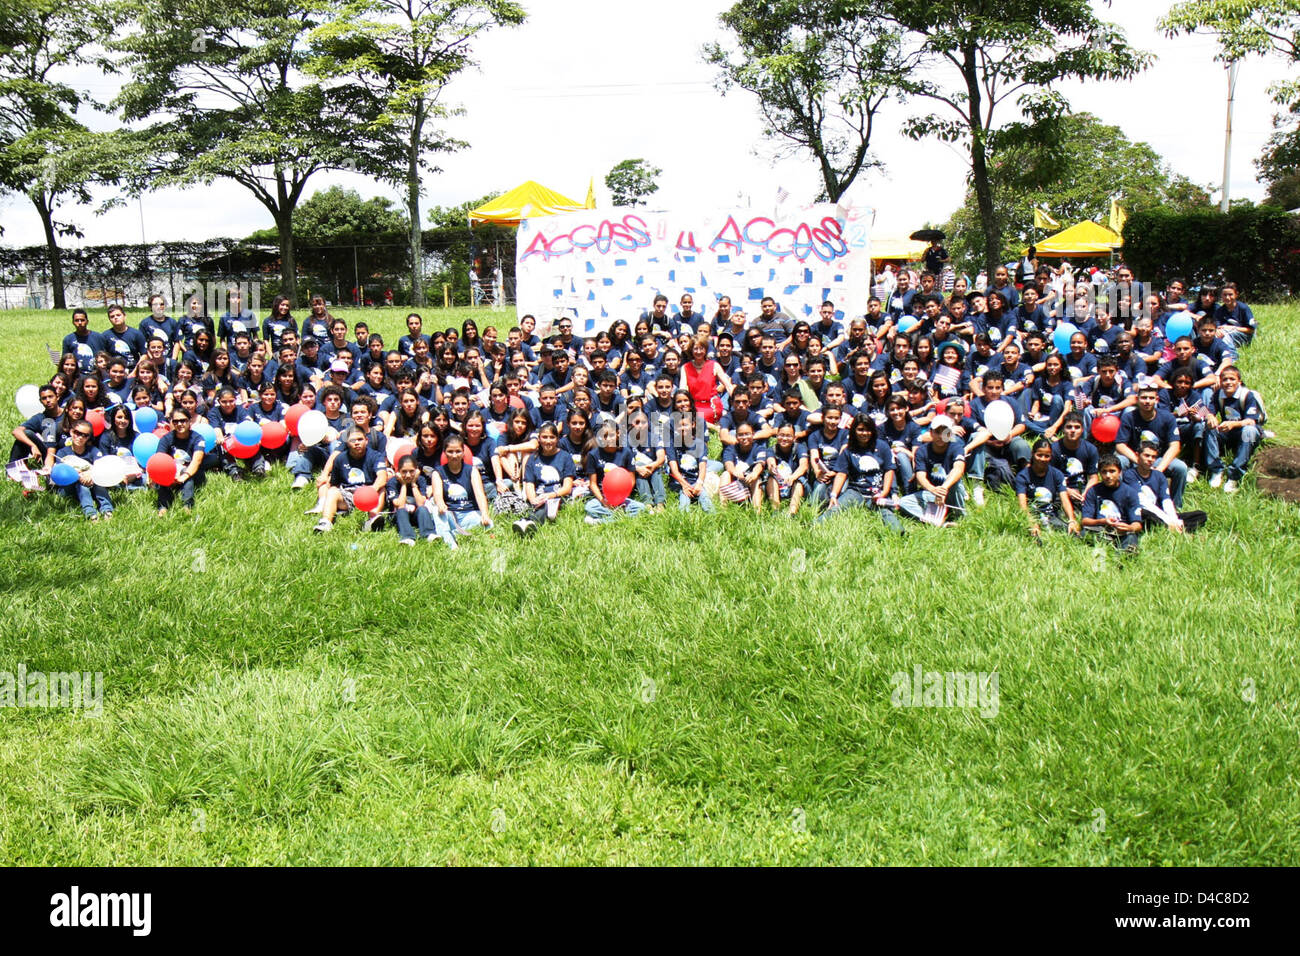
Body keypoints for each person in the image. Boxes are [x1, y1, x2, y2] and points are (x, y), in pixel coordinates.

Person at [818, 413, 903, 532]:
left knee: (886, 514)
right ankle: (814, 526)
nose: (864, 433)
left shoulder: (882, 446)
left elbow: (889, 471)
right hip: (855, 491)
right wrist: (834, 495)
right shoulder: (849, 450)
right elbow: (841, 474)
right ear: (854, 431)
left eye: (868, 430)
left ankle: (899, 533)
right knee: (836, 508)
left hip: (877, 493)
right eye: (860, 430)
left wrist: (884, 493)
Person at [313, 426, 388, 533]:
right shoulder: (340, 459)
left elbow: (382, 476)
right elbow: (334, 483)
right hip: (348, 494)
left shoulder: (376, 456)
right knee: (333, 491)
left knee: (382, 489)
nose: (357, 443)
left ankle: (372, 519)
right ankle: (325, 522)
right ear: (347, 443)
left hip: (368, 492)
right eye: (353, 440)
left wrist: (371, 490)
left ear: (366, 441)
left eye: (360, 439)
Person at [898, 414, 966, 524]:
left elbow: (958, 469)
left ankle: (960, 517)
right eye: (937, 432)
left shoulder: (956, 447)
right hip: (931, 491)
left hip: (950, 490)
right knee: (903, 502)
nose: (940, 436)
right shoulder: (922, 451)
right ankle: (935, 521)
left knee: (955, 481)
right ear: (931, 433)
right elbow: (920, 476)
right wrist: (933, 490)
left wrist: (943, 489)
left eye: (945, 432)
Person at [1206, 366, 1265, 494]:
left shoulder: (1247, 396)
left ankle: (1234, 475)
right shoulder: (1218, 395)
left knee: (1249, 430)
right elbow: (1208, 411)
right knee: (1208, 428)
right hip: (1227, 432)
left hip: (1245, 432)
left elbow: (1251, 421)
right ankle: (1216, 469)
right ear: (1220, 382)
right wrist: (1210, 417)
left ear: (1239, 381)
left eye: (1232, 379)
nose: (1228, 382)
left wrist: (1234, 424)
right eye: (1225, 379)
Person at [430, 434, 494, 546]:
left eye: (458, 451)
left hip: (469, 513)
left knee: (489, 525)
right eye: (450, 451)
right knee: (436, 511)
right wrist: (440, 504)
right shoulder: (438, 472)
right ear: (444, 452)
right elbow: (437, 496)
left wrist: (485, 514)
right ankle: (451, 545)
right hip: (450, 514)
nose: (454, 455)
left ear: (463, 452)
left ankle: (455, 533)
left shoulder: (472, 470)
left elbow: (480, 494)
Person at [515, 422, 574, 535]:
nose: (548, 441)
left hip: (557, 496)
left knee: (546, 504)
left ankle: (530, 523)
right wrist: (533, 499)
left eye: (552, 437)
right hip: (539, 496)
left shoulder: (565, 457)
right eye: (544, 437)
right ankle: (527, 523)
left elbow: (567, 488)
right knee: (538, 504)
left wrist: (550, 496)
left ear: (557, 439)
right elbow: (529, 484)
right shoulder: (532, 459)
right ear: (539, 439)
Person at [584, 421, 648, 524]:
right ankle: (620, 516)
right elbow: (592, 484)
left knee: (641, 508)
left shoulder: (626, 452)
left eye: (612, 435)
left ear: (618, 433)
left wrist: (620, 499)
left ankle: (601, 521)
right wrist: (603, 501)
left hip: (621, 498)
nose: (609, 439)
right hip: (603, 496)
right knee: (590, 507)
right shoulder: (593, 454)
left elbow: (631, 480)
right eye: (605, 436)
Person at [1014, 438, 1078, 540]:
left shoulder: (1057, 474)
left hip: (1050, 516)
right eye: (1039, 455)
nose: (1043, 459)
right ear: (1032, 454)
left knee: (1076, 534)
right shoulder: (1023, 476)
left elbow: (1065, 500)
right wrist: (1031, 522)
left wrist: (1071, 520)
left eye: (1047, 456)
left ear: (1051, 456)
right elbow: (1023, 506)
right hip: (1031, 515)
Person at [52, 420, 113, 520]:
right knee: (81, 485)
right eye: (77, 433)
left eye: (85, 435)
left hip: (91, 482)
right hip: (69, 487)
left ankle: (107, 509)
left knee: (98, 480)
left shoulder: (93, 451)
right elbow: (62, 472)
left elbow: (100, 466)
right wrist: (79, 476)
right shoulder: (62, 452)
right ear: (71, 432)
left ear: (88, 438)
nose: (80, 437)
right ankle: (90, 513)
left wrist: (91, 474)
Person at [1081, 454, 1142, 553]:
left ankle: (1122, 556)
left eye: (1112, 471)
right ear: (1100, 473)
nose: (1108, 476)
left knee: (1131, 538)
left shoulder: (1130, 493)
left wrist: (1129, 527)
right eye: (1104, 472)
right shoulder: (1093, 491)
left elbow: (1137, 524)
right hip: (1100, 529)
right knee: (1083, 533)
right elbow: (1085, 521)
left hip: (1122, 531)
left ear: (1120, 472)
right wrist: (1103, 521)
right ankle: (1103, 546)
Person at [155, 411, 207, 515]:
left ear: (190, 422)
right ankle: (163, 506)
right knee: (163, 477)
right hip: (172, 472)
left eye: (183, 421)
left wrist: (184, 475)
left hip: (192, 473)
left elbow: (196, 461)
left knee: (188, 477)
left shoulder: (198, 438)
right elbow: (159, 460)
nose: (179, 424)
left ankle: (187, 506)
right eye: (176, 421)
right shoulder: (166, 439)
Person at [681, 331, 730, 423]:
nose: (698, 352)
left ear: (706, 349)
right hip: (693, 405)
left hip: (711, 406)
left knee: (697, 420)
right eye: (696, 349)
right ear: (691, 350)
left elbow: (728, 385)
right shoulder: (685, 367)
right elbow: (682, 389)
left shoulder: (714, 365)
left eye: (701, 348)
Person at [765, 422, 809, 515]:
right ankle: (775, 510)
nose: (784, 438)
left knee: (798, 481)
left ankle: (792, 512)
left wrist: (793, 477)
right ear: (777, 435)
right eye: (781, 435)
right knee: (770, 479)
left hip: (797, 485)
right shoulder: (771, 450)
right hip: (779, 484)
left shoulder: (800, 448)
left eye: (788, 436)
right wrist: (772, 467)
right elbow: (770, 461)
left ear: (794, 438)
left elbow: (804, 465)